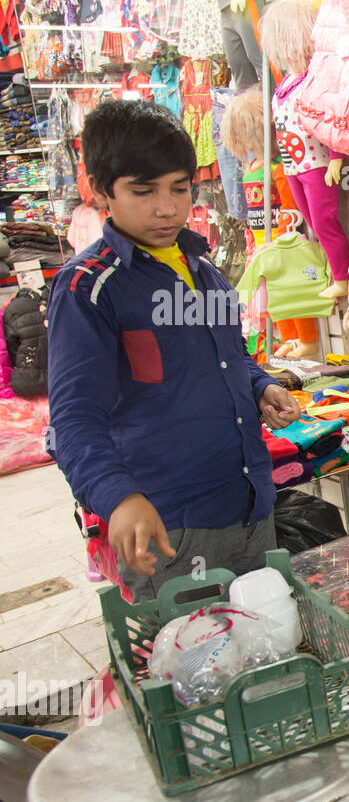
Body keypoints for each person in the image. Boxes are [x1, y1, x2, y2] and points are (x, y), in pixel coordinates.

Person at [47, 100, 300, 601]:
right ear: (101, 190)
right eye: (143, 192)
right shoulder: (89, 287)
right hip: (169, 528)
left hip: (251, 508)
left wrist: (261, 386)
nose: (167, 207)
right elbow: (72, 421)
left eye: (180, 188)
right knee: (192, 667)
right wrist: (119, 499)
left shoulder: (205, 273)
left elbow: (230, 358)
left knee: (268, 658)